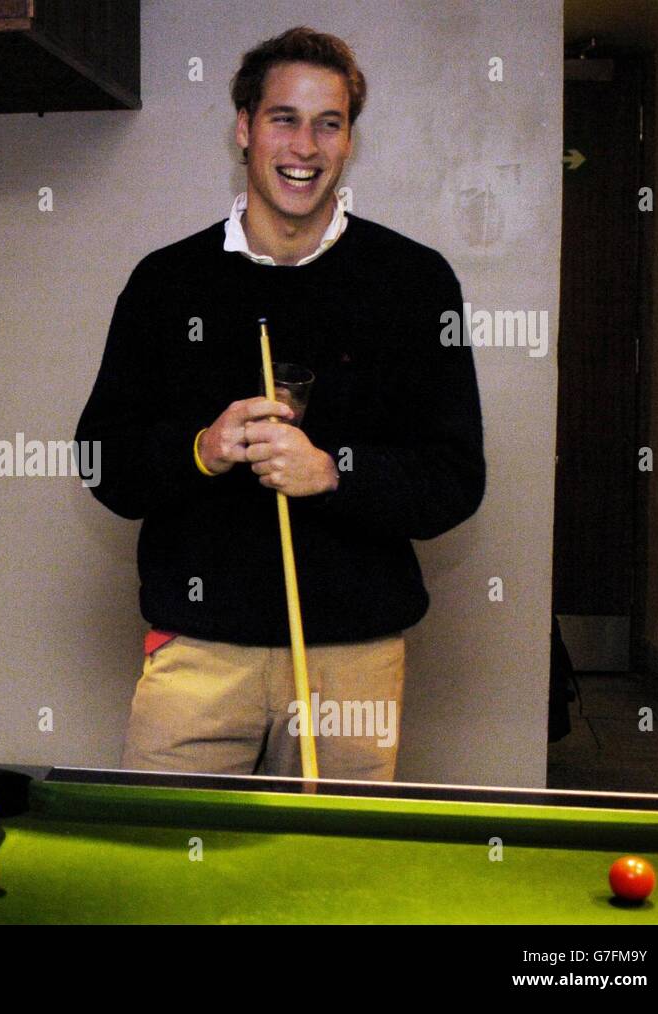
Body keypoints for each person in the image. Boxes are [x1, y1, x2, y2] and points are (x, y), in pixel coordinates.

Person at [75, 27, 484, 781]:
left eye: (329, 123)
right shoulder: (166, 283)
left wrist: (334, 474)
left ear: (350, 141)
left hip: (353, 658)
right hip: (196, 655)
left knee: (333, 883)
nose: (306, 144)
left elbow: (456, 478)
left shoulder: (415, 282)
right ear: (244, 128)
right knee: (169, 882)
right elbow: (102, 460)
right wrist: (201, 448)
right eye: (284, 118)